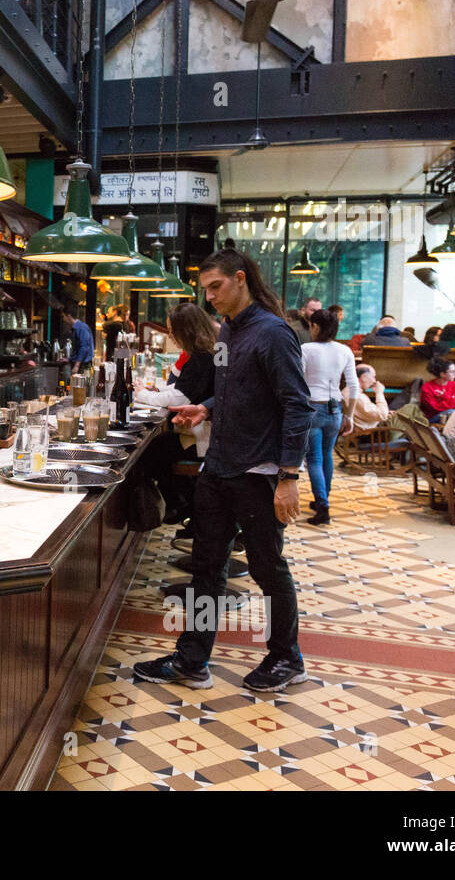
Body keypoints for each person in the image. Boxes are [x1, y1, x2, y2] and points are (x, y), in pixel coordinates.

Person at [133, 248, 312, 693]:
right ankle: (193, 660)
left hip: (259, 471)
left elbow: (296, 405)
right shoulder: (227, 333)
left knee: (268, 568)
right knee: (206, 568)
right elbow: (233, 393)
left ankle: (287, 657)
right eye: (205, 289)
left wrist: (289, 476)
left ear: (240, 279)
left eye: (216, 287)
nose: (209, 296)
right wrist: (205, 408)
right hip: (218, 467)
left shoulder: (274, 334)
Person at [135, 303, 217, 525]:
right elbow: (180, 390)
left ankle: (178, 506)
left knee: (148, 454)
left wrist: (143, 395)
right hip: (199, 432)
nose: (170, 335)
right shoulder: (202, 352)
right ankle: (183, 508)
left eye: (173, 330)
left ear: (187, 330)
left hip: (204, 437)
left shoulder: (202, 356)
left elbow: (181, 398)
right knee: (155, 449)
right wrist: (155, 392)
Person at [301, 309, 357, 525]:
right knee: (326, 456)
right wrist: (349, 416)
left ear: (315, 326)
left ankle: (322, 505)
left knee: (313, 458)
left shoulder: (306, 349)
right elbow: (353, 385)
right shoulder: (345, 351)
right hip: (335, 408)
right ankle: (323, 498)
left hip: (312, 407)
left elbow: (297, 381)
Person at [420, 357, 455, 424]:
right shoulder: (427, 387)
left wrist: (448, 399)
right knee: (451, 412)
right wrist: (453, 399)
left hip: (453, 416)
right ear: (442, 374)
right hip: (433, 418)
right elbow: (435, 408)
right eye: (452, 372)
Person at [350, 365, 390, 431]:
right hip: (372, 433)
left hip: (372, 425)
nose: (375, 381)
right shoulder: (358, 397)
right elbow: (382, 415)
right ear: (364, 377)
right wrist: (379, 392)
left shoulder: (348, 391)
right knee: (410, 409)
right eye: (373, 377)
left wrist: (386, 412)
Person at [63, 305, 94, 377]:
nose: (63, 319)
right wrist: (69, 359)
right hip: (80, 364)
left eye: (63, 316)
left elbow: (84, 347)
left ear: (69, 316)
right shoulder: (78, 327)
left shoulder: (81, 328)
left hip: (82, 365)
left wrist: (77, 365)